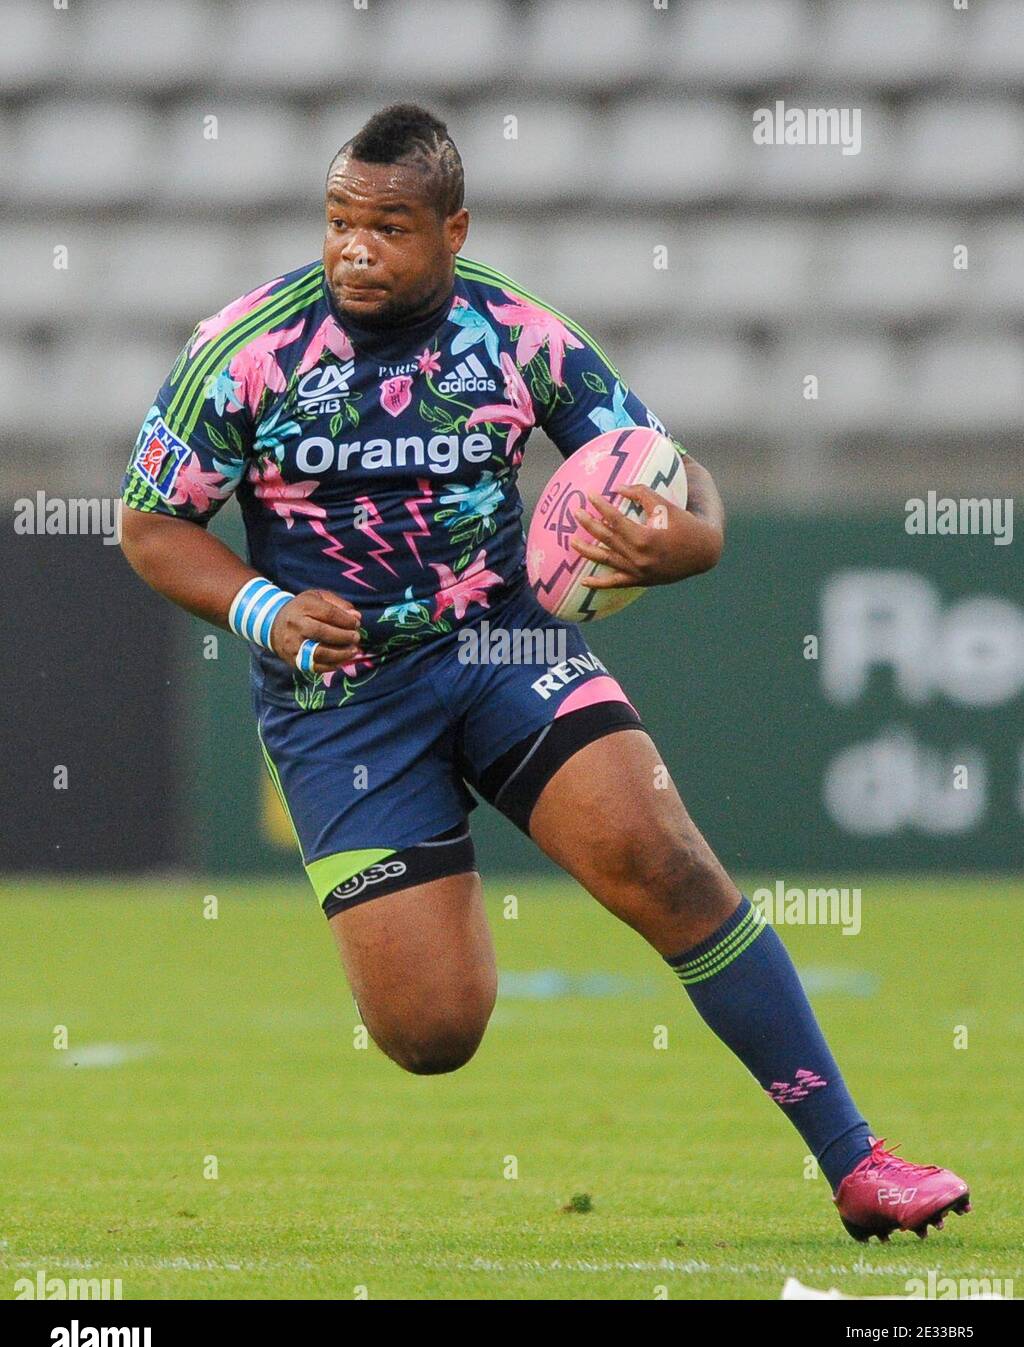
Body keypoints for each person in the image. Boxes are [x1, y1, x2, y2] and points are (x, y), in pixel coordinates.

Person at [120, 103, 969, 1243]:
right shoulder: (245, 351)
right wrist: (261, 605)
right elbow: (149, 526)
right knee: (433, 1031)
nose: (354, 247)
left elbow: (672, 475)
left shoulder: (519, 336)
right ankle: (432, 876)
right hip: (344, 700)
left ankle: (858, 1159)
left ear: (452, 229)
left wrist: (693, 542)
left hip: (505, 651)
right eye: (336, 221)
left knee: (667, 866)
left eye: (387, 225)